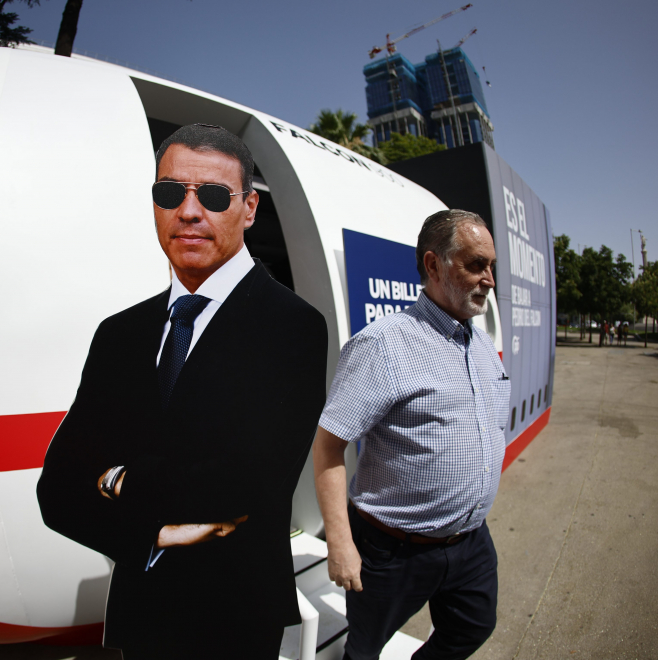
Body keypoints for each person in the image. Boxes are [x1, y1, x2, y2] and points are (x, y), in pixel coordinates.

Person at [37, 124, 328, 659]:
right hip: (139, 614)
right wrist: (161, 532)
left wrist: (114, 477)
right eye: (170, 193)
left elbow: (247, 485)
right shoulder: (119, 334)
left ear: (250, 209)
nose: (189, 212)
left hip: (234, 621)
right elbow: (56, 490)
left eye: (214, 196)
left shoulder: (294, 327)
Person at [313, 210, 510, 660]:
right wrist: (340, 543)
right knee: (363, 651)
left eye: (491, 266)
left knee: (472, 627)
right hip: (392, 550)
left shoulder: (479, 343)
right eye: (476, 265)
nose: (490, 279)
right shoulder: (384, 345)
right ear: (434, 265)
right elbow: (328, 446)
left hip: (470, 540)